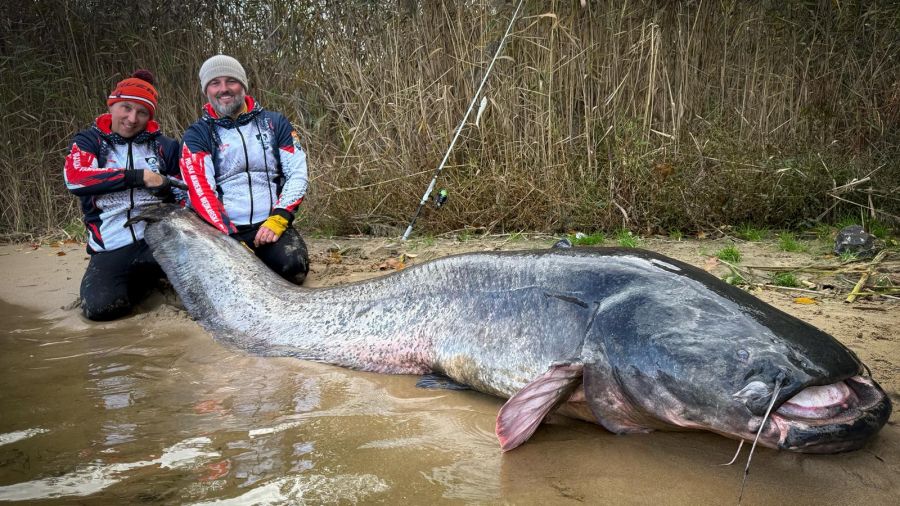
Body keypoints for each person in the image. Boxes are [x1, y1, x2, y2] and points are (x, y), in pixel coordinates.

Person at [64, 70, 183, 321]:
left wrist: (164, 188)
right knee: (102, 310)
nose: (132, 118)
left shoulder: (166, 146)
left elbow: (184, 193)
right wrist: (139, 177)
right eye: (126, 108)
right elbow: (75, 178)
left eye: (142, 112)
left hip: (158, 238)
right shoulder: (89, 141)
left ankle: (155, 277)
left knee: (198, 291)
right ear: (112, 106)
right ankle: (141, 283)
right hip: (111, 245)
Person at [181, 55, 310, 284]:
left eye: (231, 81)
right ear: (206, 90)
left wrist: (279, 218)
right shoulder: (196, 135)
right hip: (223, 230)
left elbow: (297, 174)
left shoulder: (275, 123)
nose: (224, 89)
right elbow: (201, 192)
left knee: (294, 269)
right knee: (224, 282)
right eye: (215, 83)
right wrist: (229, 238)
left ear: (243, 84)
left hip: (268, 223)